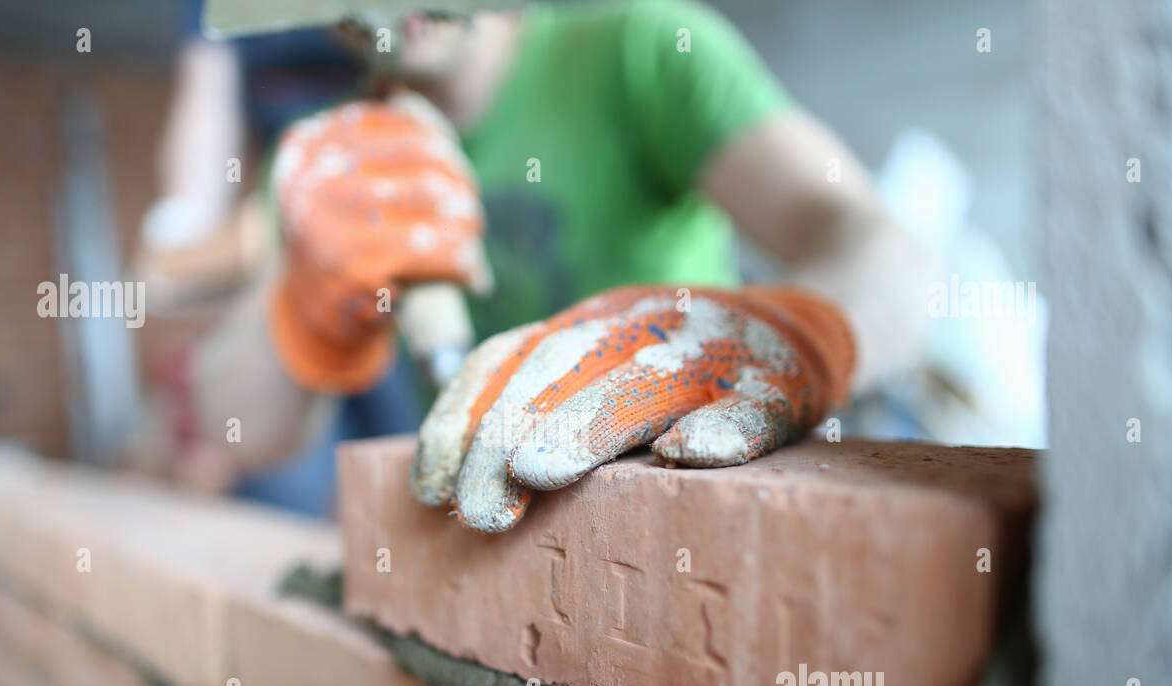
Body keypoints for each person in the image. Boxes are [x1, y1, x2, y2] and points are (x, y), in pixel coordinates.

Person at [134, 0, 936, 521]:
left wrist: (788, 334)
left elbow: (882, 250)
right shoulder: (331, 157)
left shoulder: (639, 49)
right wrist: (309, 304)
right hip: (494, 549)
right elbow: (240, 426)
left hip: (694, 517)